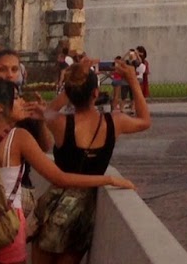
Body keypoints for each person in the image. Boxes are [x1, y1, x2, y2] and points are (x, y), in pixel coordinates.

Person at [0, 79, 133, 264]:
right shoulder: (18, 138)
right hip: (7, 229)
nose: (22, 101)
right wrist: (108, 179)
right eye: (16, 98)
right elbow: (60, 178)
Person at [33, 58, 150, 264]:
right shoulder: (115, 122)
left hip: (54, 203)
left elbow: (48, 111)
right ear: (95, 94)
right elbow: (145, 121)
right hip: (83, 207)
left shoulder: (60, 123)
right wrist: (132, 80)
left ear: (71, 94)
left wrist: (76, 76)